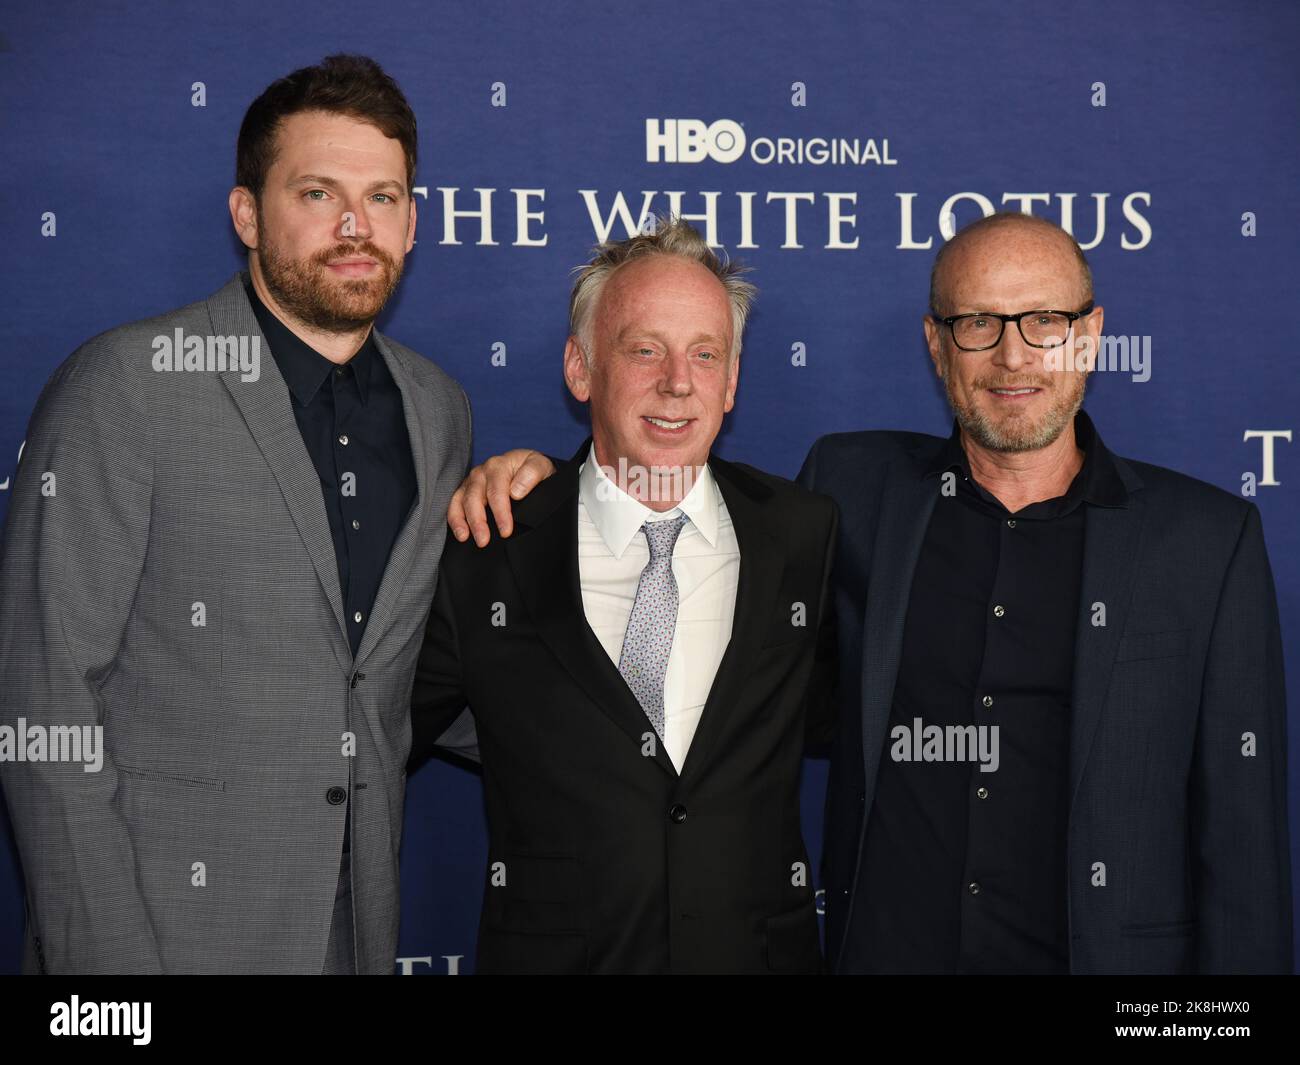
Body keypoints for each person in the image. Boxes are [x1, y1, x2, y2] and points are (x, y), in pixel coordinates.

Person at [450, 211, 1292, 975]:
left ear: (1092, 336)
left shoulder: (1203, 543)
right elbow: (648, 493)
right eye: (977, 325)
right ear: (935, 344)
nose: (1013, 355)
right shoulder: (845, 496)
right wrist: (543, 487)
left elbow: (1245, 855)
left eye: (1046, 322)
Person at [0, 54, 474, 975]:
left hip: (356, 927)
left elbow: (408, 669)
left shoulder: (437, 408)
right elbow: (42, 703)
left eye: (383, 197)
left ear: (413, 223)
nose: (353, 226)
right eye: (317, 192)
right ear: (248, 214)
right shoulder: (128, 384)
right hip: (163, 937)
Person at [410, 218, 838, 973]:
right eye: (644, 349)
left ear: (732, 381)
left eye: (705, 354)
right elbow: (372, 731)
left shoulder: (805, 536)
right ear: (580, 369)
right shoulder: (491, 548)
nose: (678, 381)